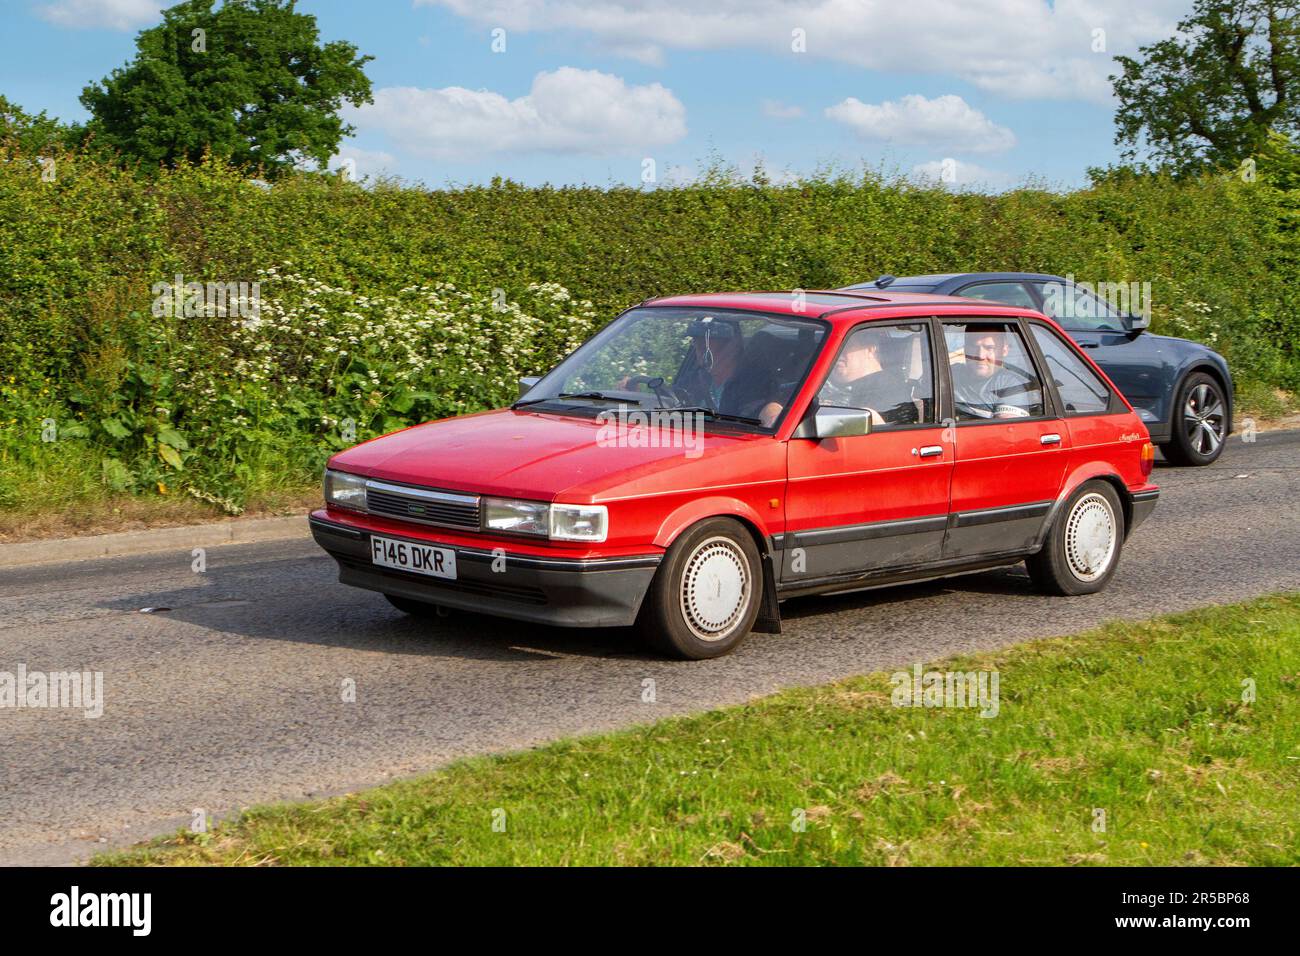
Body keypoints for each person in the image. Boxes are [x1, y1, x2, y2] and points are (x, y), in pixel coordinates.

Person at [674, 318, 783, 426]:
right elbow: (672, 398)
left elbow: (766, 413)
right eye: (697, 342)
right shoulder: (696, 376)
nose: (700, 348)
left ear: (733, 345)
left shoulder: (755, 384)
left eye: (707, 342)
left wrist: (771, 416)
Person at [817, 327, 919, 426]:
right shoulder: (821, 384)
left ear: (870, 349)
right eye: (831, 348)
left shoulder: (888, 392)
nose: (835, 353)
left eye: (844, 346)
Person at [950, 325, 1038, 420]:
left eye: (989, 348)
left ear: (1004, 350)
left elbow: (1006, 430)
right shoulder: (950, 375)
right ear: (965, 349)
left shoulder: (1010, 386)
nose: (980, 355)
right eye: (974, 347)